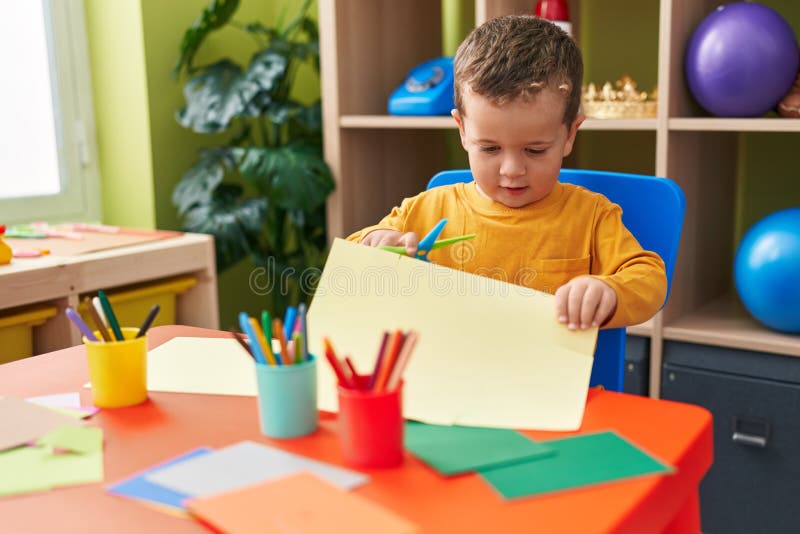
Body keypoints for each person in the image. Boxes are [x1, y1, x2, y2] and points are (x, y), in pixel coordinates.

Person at [347, 15, 666, 331]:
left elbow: (649, 277)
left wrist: (609, 292)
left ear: (570, 134)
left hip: (549, 378)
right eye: (489, 149)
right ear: (462, 130)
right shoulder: (426, 210)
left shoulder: (591, 216)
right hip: (446, 376)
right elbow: (354, 258)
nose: (512, 170)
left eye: (535, 150)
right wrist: (375, 244)